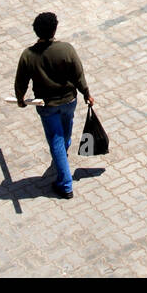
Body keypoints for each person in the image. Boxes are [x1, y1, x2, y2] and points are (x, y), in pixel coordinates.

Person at [14, 11, 93, 200]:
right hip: (69, 101)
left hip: (47, 105)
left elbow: (21, 82)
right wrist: (87, 93)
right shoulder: (66, 49)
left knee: (56, 141)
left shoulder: (28, 55)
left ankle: (65, 184)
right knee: (65, 132)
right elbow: (78, 75)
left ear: (36, 32)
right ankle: (63, 157)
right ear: (55, 29)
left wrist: (20, 98)